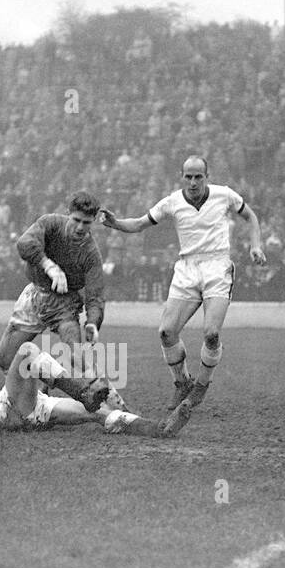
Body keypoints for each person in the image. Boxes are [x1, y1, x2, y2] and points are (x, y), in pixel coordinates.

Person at [100, 155, 265, 410]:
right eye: (188, 176)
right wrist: (115, 223)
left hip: (217, 266)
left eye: (198, 176)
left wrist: (256, 245)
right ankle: (182, 383)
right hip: (187, 268)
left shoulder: (224, 195)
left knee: (211, 334)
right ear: (182, 177)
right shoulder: (172, 202)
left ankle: (201, 386)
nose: (193, 182)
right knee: (166, 332)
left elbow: (251, 216)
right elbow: (140, 224)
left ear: (207, 176)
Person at [0, 347, 189, 439]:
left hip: (33, 407)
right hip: (6, 410)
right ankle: (82, 390)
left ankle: (158, 429)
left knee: (98, 414)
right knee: (28, 352)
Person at [0, 191, 111, 412]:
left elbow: (95, 295)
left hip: (64, 304)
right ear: (69, 214)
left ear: (93, 221)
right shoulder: (50, 224)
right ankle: (41, 393)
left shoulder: (90, 253)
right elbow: (24, 243)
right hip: (34, 295)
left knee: (76, 352)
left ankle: (109, 402)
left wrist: (94, 323)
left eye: (86, 223)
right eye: (76, 220)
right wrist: (49, 265)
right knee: (3, 358)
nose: (79, 227)